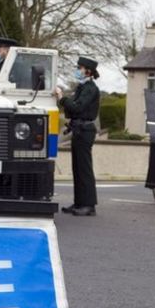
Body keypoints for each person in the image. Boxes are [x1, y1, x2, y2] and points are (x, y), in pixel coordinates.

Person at [54, 56, 100, 216]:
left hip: (85, 130)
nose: (77, 70)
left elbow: (77, 107)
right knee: (77, 168)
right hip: (79, 129)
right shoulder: (82, 87)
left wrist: (61, 98)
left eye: (79, 68)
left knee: (84, 168)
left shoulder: (90, 89)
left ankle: (89, 205)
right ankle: (79, 202)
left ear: (88, 71)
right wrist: (64, 101)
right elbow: (71, 108)